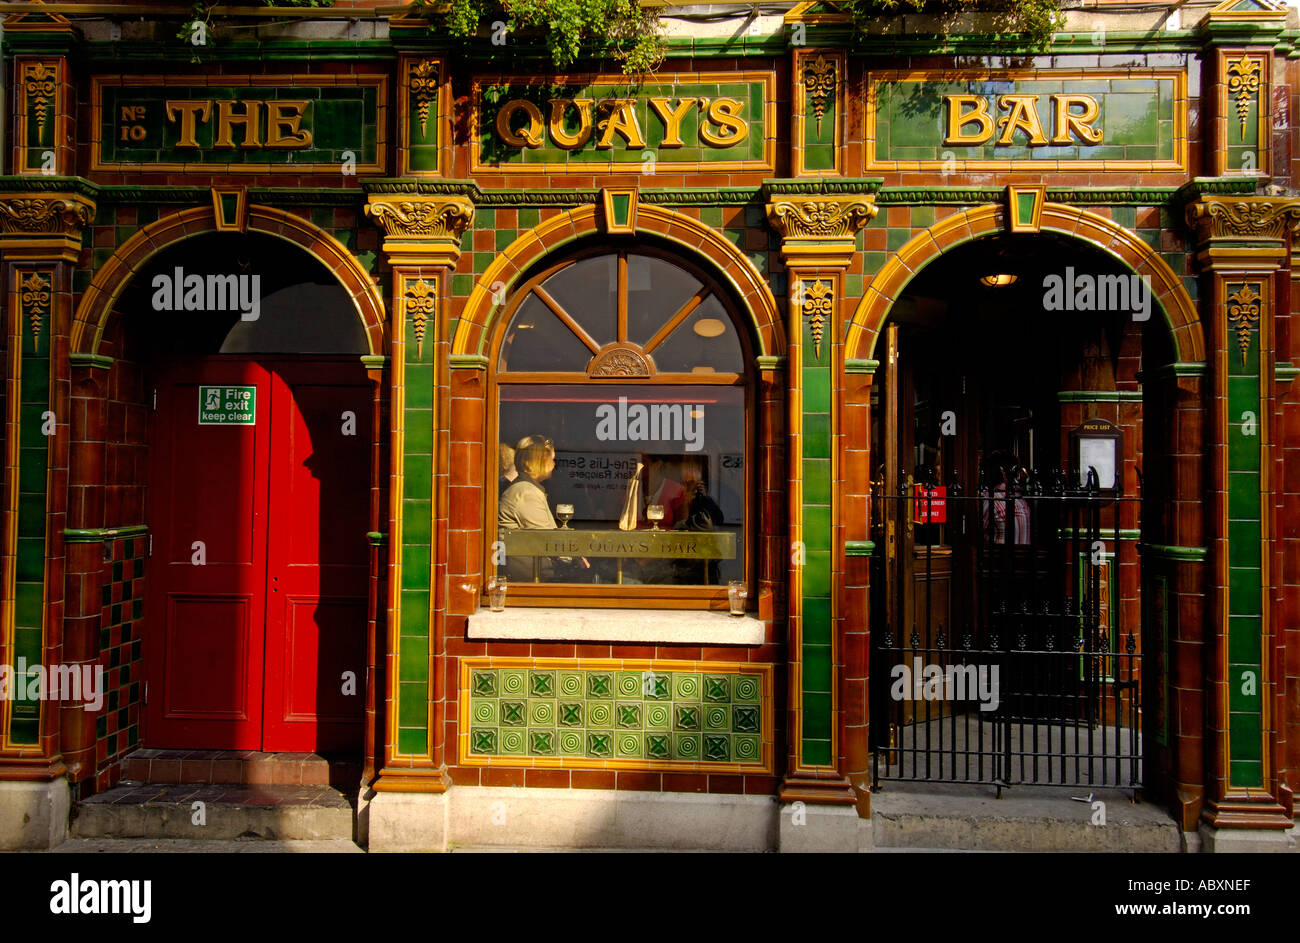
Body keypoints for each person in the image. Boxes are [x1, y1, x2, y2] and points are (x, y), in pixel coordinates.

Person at [497, 435, 589, 581]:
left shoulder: (527, 489)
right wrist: (573, 556)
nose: (554, 464)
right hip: (534, 579)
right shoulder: (526, 493)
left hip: (536, 575)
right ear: (538, 462)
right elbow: (548, 540)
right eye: (552, 459)